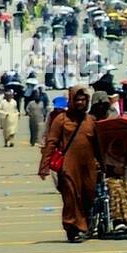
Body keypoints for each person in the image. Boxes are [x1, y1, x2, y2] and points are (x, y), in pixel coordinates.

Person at [38, 85, 99, 242]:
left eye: (83, 100)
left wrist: (105, 166)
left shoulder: (90, 121)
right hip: (68, 166)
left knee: (87, 196)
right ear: (71, 101)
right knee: (71, 197)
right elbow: (51, 143)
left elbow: (98, 146)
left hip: (87, 167)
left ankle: (84, 225)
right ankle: (73, 227)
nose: (80, 103)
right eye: (77, 99)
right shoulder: (61, 120)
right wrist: (44, 166)